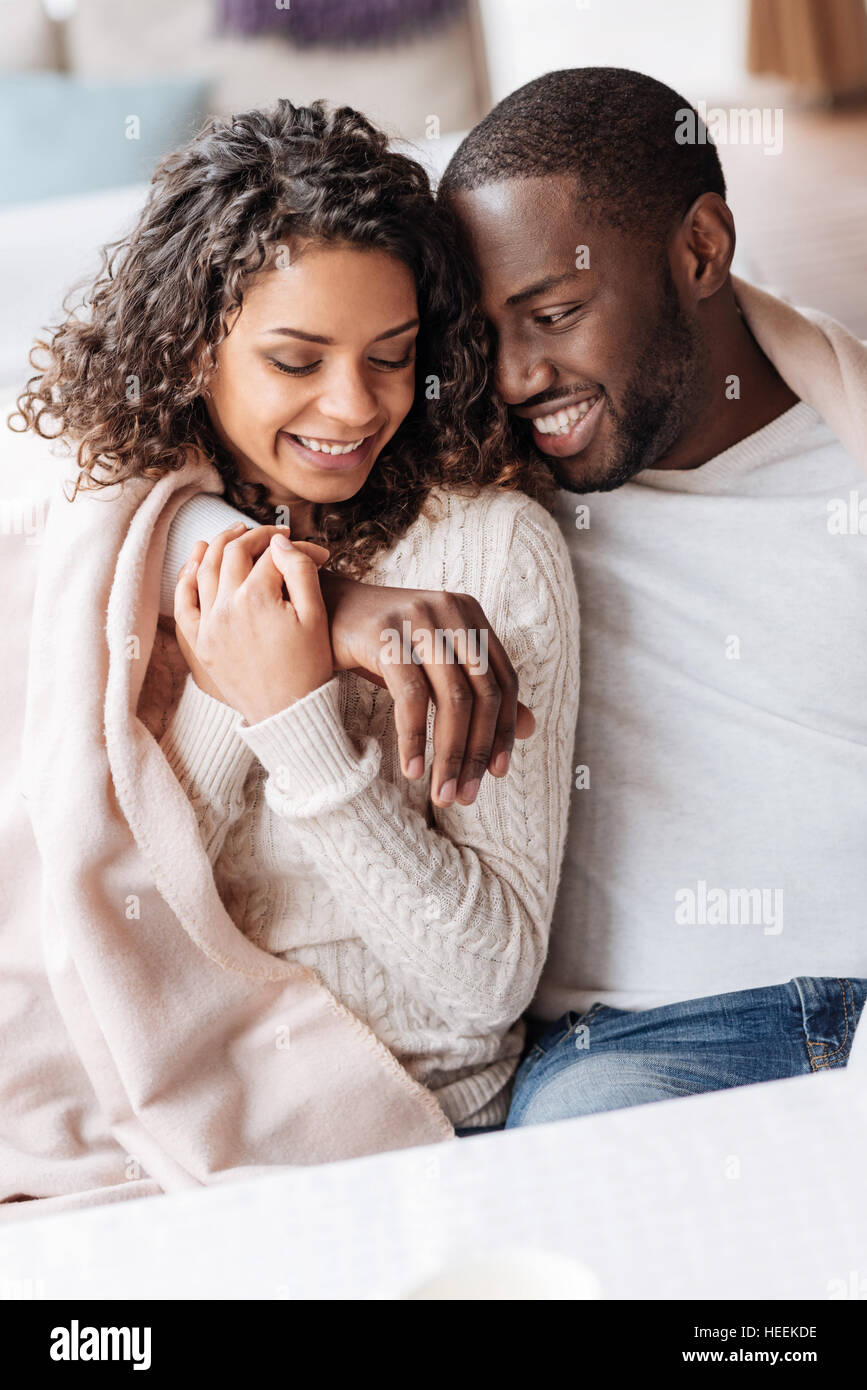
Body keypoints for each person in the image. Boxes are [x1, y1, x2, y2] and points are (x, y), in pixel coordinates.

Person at [163, 68, 867, 1128]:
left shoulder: (841, 451)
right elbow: (120, 472)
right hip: (640, 1037)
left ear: (703, 251)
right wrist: (325, 592)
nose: (521, 375)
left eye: (557, 313)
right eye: (486, 337)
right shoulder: (483, 476)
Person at [14, 100, 579, 1136]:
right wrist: (304, 610)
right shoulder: (129, 528)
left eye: (392, 354)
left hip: (409, 1110)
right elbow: (121, 905)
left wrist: (299, 719)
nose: (357, 406)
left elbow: (489, 985)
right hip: (160, 1102)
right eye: (297, 360)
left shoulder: (492, 554)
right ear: (192, 349)